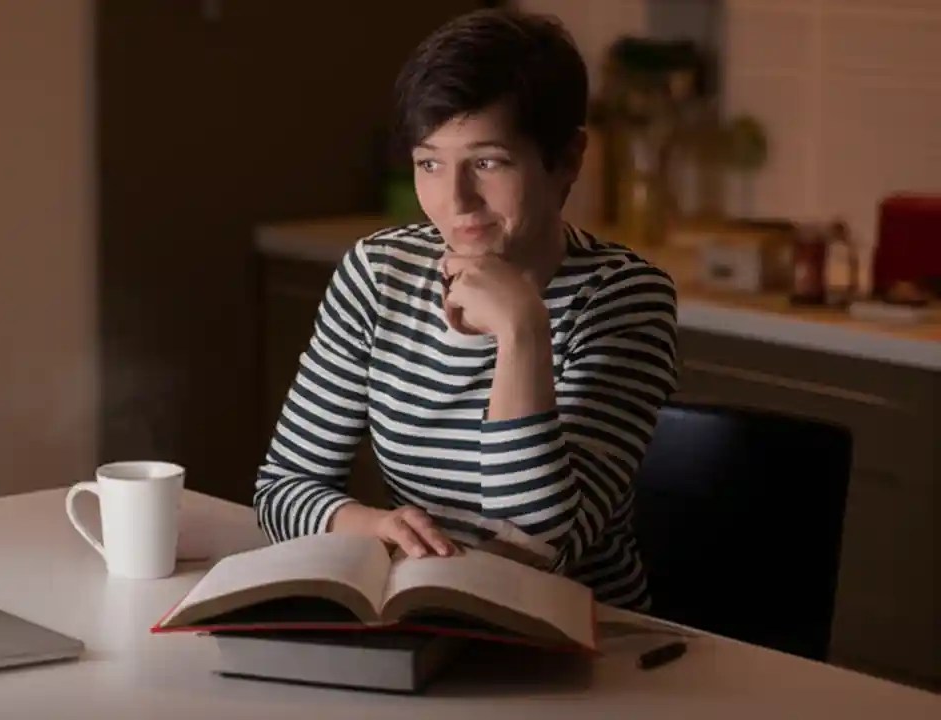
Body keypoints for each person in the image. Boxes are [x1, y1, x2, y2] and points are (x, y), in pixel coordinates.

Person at [253, 8, 678, 610]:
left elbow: (535, 548)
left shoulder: (623, 298)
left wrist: (523, 331)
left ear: (567, 160)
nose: (454, 201)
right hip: (424, 623)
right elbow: (281, 491)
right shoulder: (380, 274)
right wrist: (367, 525)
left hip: (582, 650)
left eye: (487, 162)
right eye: (430, 163)